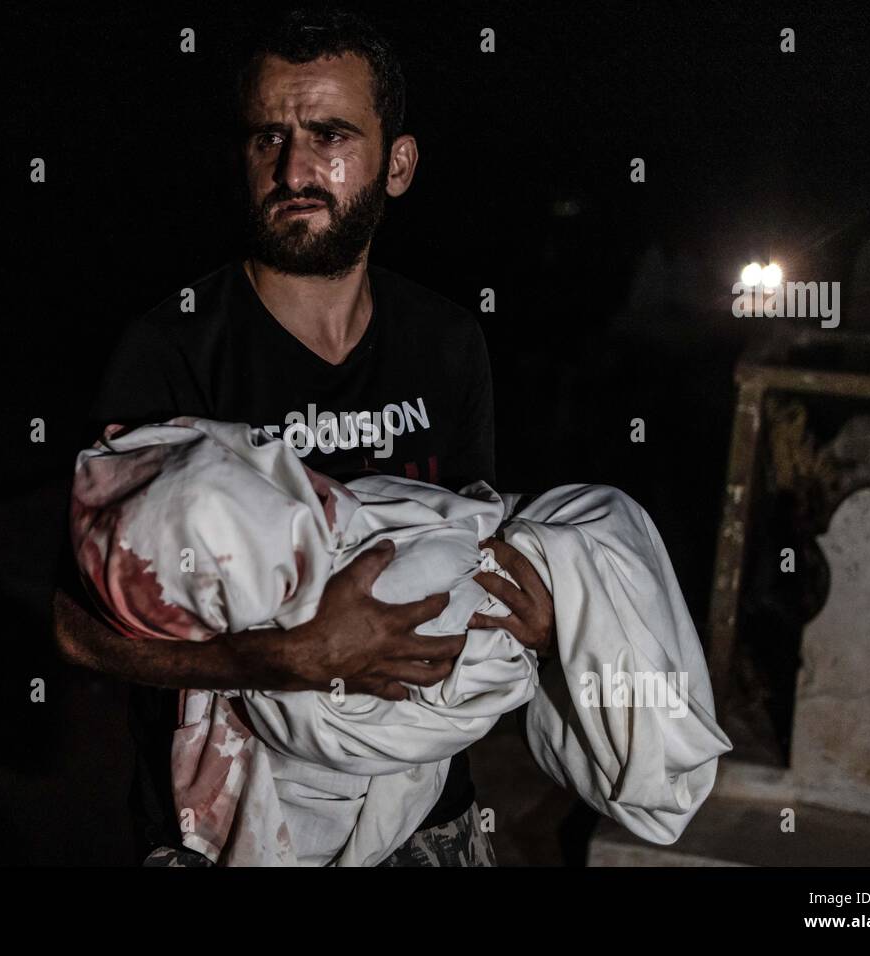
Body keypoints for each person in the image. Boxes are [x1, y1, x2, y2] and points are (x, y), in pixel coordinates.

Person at [53, 7, 555, 866]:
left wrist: (542, 616)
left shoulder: (446, 340)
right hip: (226, 826)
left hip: (427, 815)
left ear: (396, 165)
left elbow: (479, 539)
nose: (293, 167)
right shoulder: (170, 345)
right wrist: (283, 657)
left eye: (329, 135)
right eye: (266, 138)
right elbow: (75, 626)